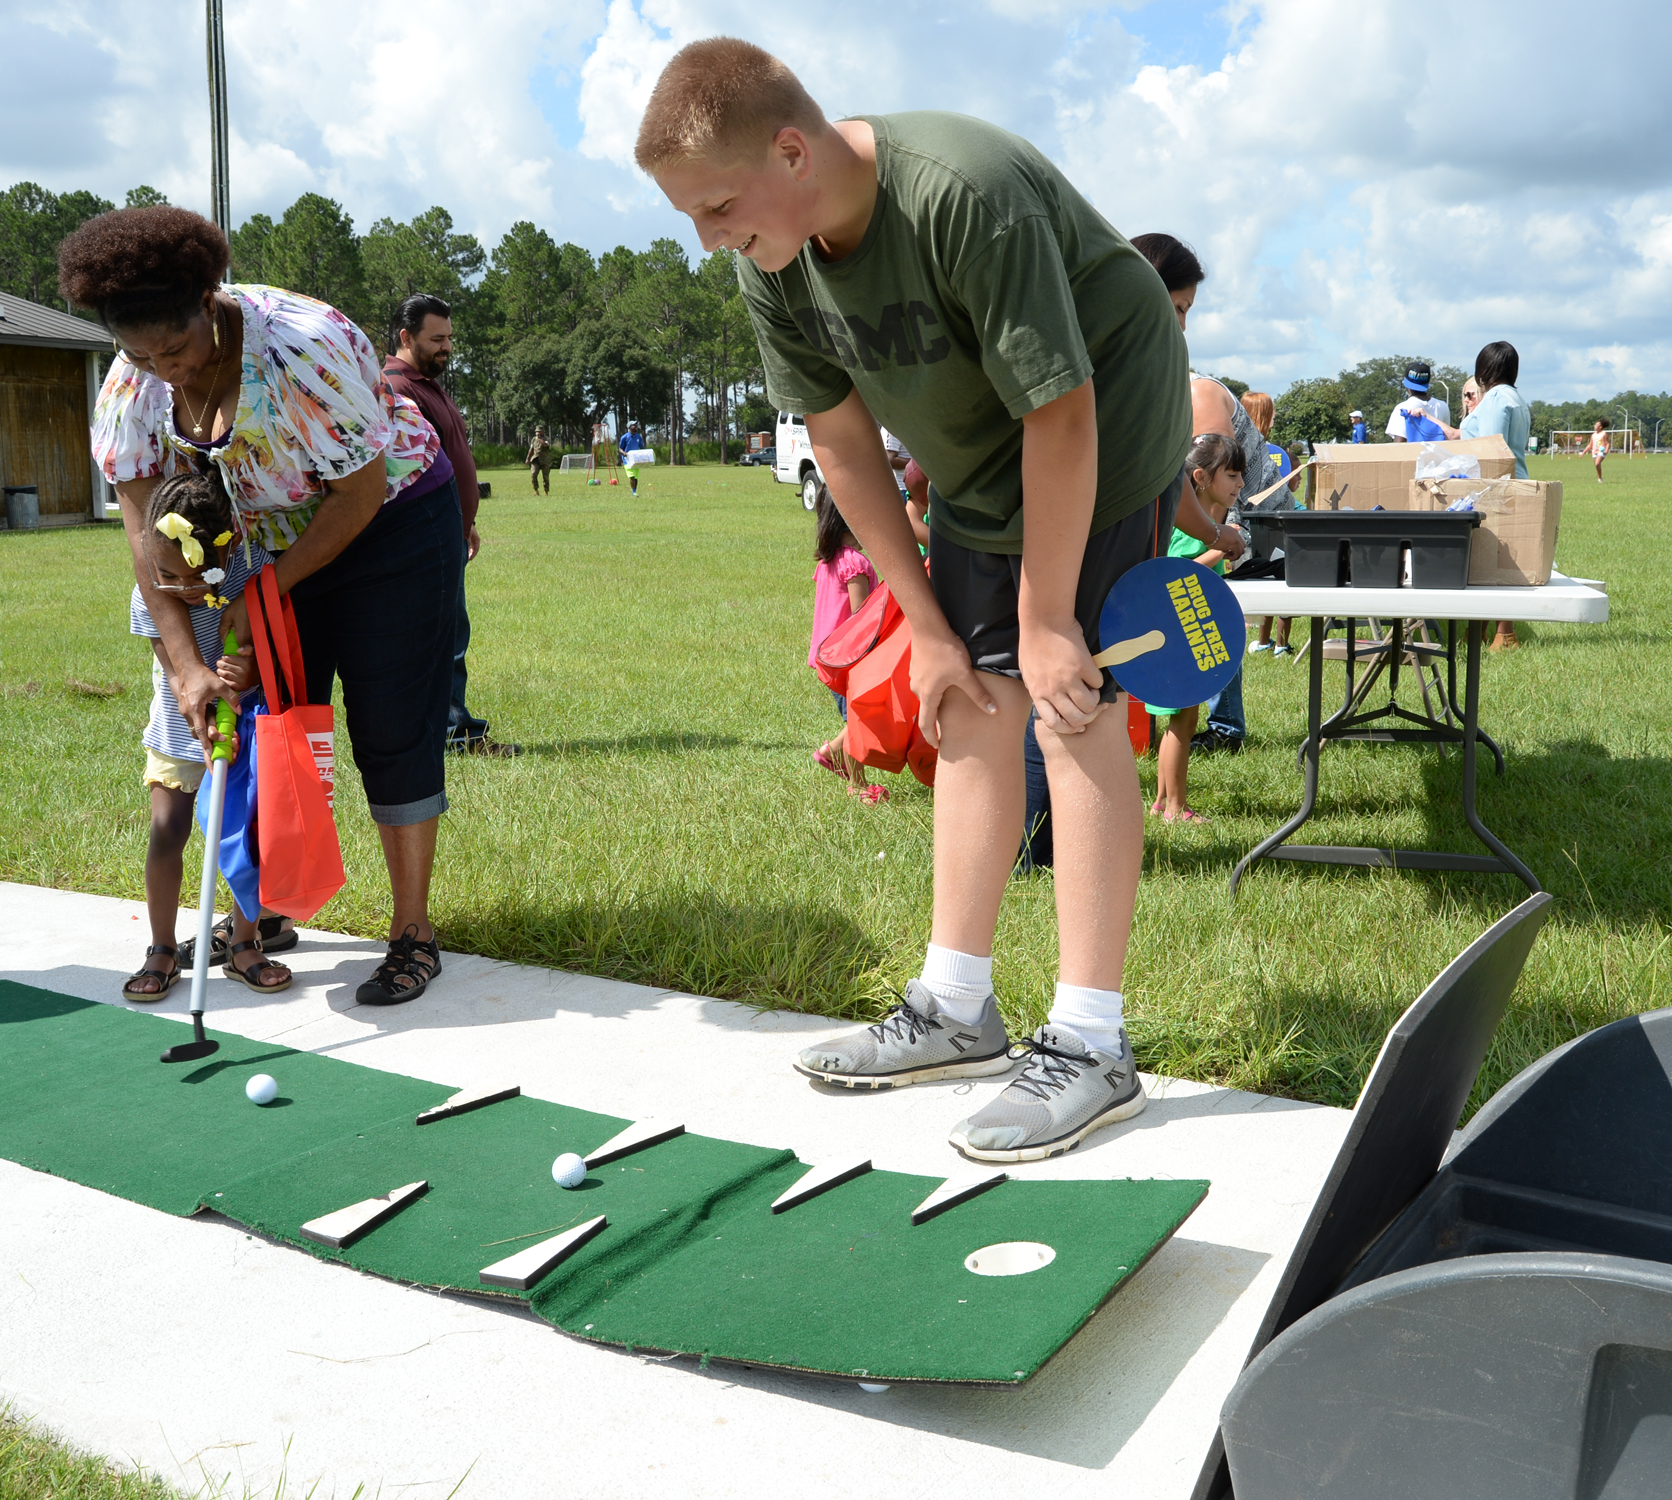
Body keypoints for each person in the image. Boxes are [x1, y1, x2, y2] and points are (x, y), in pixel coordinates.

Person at [639, 39, 1239, 1163]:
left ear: (791, 146)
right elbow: (838, 439)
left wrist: (1049, 618)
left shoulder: (963, 194)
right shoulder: (769, 258)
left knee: (1067, 705)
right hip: (977, 465)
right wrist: (920, 622)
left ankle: (1092, 1045)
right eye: (693, 216)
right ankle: (957, 1009)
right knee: (966, 700)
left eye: (717, 205)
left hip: (1102, 435)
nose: (708, 236)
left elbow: (1060, 416)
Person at [62, 204, 462, 1007]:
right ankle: (266, 906)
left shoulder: (305, 347)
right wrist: (185, 666)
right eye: (137, 351)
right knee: (276, 719)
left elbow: (357, 495)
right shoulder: (134, 385)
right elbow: (146, 536)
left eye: (173, 347)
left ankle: (412, 931)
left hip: (392, 523)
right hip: (270, 542)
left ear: (208, 302)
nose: (160, 368)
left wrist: (262, 591)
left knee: (389, 721)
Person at [122, 467, 292, 1001]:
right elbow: (177, 674)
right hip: (180, 729)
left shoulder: (253, 570)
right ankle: (162, 949)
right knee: (168, 831)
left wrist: (251, 673)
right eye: (168, 574)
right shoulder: (150, 591)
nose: (184, 588)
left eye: (198, 576)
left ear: (229, 547)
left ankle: (245, 943)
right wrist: (201, 698)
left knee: (246, 837)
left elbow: (274, 651)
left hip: (242, 734)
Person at [383, 294, 520, 759]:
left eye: (449, 338)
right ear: (406, 337)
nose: (447, 347)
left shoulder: (426, 382)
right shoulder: (396, 389)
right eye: (436, 338)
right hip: (423, 538)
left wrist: (467, 522)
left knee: (447, 637)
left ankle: (446, 730)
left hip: (447, 532)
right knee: (440, 642)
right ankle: (453, 736)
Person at [1148, 434, 1242, 822]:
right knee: (1183, 722)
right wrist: (1220, 547)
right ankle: (1175, 808)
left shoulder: (1203, 521)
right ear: (1201, 477)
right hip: (1179, 631)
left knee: (1180, 721)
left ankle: (1159, 801)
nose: (1239, 484)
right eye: (1232, 475)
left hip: (1186, 627)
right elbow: (1176, 572)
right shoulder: (1193, 526)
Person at [808, 483, 884, 804]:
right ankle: (835, 756)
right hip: (848, 658)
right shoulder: (854, 563)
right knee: (858, 721)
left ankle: (857, 781)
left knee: (855, 718)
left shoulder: (828, 561)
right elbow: (861, 618)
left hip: (827, 657)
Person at [1459, 342, 1534, 651]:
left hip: (1495, 488)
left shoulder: (1493, 400)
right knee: (1500, 562)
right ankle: (1483, 632)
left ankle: (1503, 633)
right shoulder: (1517, 399)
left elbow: (1492, 450)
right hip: (1518, 484)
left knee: (1489, 564)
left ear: (1484, 369)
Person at [1238, 389, 1293, 668]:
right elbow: (1288, 490)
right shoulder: (1277, 454)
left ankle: (1260, 639)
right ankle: (1281, 645)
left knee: (1259, 582)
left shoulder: (1234, 452)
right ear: (1265, 416)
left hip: (1246, 531)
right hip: (1277, 527)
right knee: (1283, 581)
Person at [1386, 362, 1457, 442]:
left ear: (1405, 381)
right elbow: (1446, 438)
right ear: (1428, 380)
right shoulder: (1442, 406)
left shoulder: (1402, 408)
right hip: (1437, 454)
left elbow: (1399, 445)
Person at [618, 421, 645, 494]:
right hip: (627, 460)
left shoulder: (638, 436)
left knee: (636, 477)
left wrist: (645, 453)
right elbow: (620, 449)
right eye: (634, 425)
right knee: (632, 476)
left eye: (636, 425)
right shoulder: (625, 437)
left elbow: (642, 447)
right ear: (629, 427)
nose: (636, 426)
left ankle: (634, 491)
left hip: (636, 460)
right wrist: (624, 453)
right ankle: (633, 492)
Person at [527, 426, 553, 493]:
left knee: (545, 477)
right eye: (536, 432)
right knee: (533, 474)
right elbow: (531, 449)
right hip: (536, 459)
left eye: (539, 431)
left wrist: (540, 439)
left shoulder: (546, 439)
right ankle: (536, 490)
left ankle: (546, 491)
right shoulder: (533, 439)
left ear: (543, 432)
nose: (537, 433)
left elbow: (545, 445)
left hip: (545, 460)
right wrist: (528, 458)